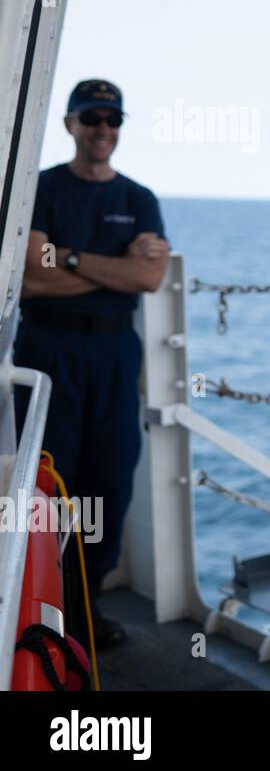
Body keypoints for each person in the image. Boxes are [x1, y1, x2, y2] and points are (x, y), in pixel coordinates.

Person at [15, 79, 170, 649]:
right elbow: (32, 273)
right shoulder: (44, 189)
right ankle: (39, 607)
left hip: (112, 353)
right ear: (69, 124)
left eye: (113, 119)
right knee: (49, 480)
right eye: (91, 118)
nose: (103, 129)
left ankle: (87, 604)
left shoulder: (138, 199)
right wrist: (105, 264)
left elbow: (149, 278)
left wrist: (69, 263)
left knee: (108, 479)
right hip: (50, 350)